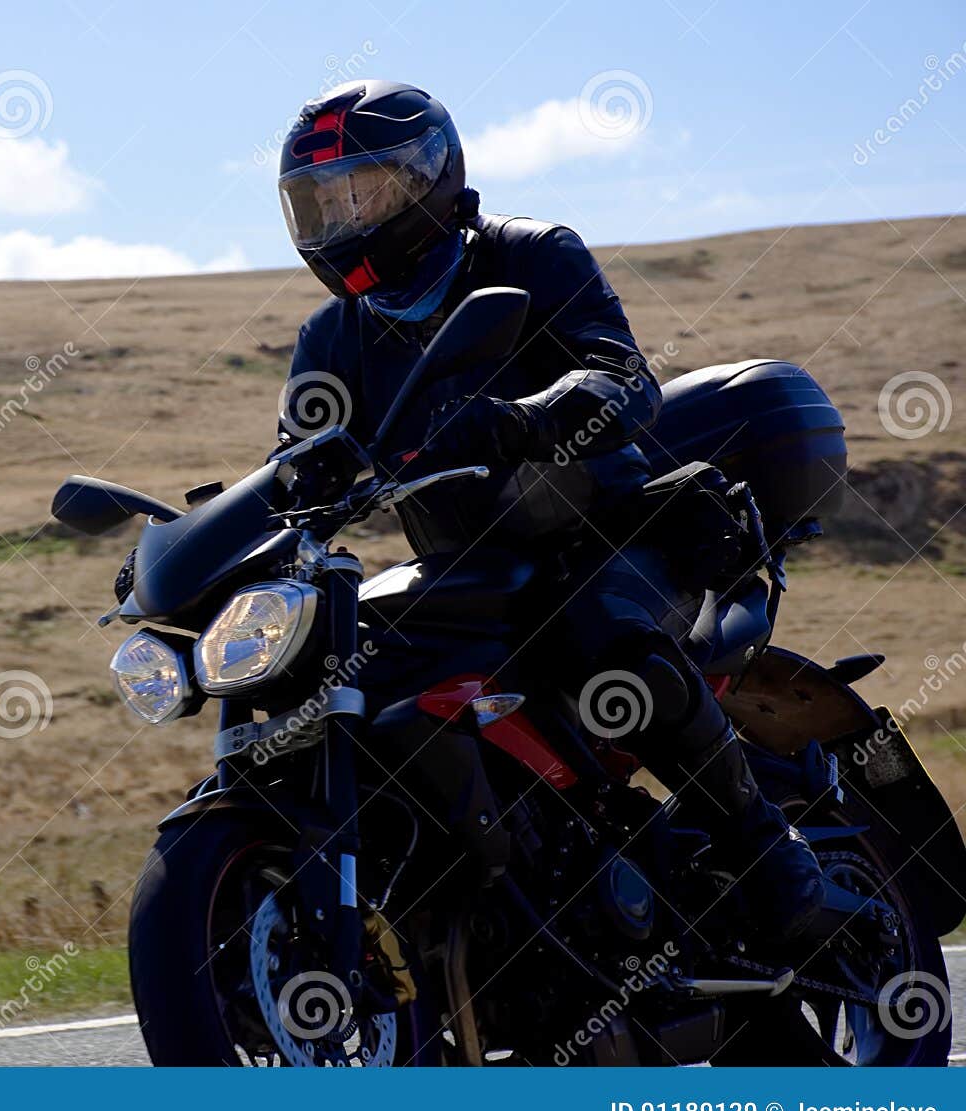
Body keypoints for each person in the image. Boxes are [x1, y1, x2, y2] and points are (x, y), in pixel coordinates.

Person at [271, 79, 824, 938]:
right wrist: (220, 533)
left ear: (428, 178)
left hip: (606, 532)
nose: (342, 218)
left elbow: (625, 382)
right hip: (470, 570)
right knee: (364, 673)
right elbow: (295, 468)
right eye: (321, 202)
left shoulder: (529, 256)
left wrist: (525, 420)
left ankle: (769, 846)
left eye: (362, 191)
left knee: (606, 644)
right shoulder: (331, 339)